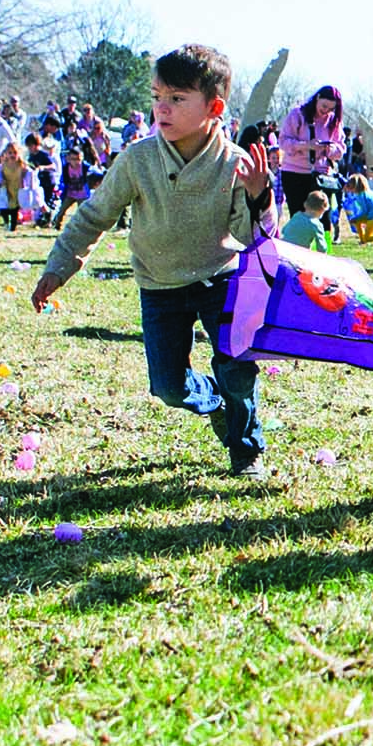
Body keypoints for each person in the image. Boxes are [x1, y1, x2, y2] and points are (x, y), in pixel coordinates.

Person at [32, 44, 274, 478]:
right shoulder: (138, 159)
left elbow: (254, 238)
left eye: (177, 99)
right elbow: (93, 215)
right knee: (168, 386)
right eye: (157, 97)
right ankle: (213, 401)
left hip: (221, 280)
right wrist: (59, 267)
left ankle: (246, 448)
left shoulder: (235, 165)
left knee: (236, 368)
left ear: (213, 107)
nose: (162, 108)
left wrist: (258, 195)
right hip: (160, 286)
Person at [277, 85, 345, 228]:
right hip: (294, 173)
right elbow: (283, 142)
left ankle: (324, 249)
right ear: (317, 98)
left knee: (324, 219)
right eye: (324, 106)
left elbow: (340, 148)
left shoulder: (334, 121)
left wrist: (329, 149)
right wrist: (307, 145)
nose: (326, 111)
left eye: (331, 109)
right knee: (298, 218)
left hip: (321, 176)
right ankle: (298, 249)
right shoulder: (297, 114)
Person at [49, 146, 93, 230]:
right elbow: (64, 180)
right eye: (73, 159)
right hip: (70, 194)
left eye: (78, 159)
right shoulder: (66, 168)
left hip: (83, 194)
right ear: (68, 159)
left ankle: (85, 228)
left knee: (83, 212)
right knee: (62, 210)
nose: (76, 162)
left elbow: (95, 174)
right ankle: (57, 225)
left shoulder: (85, 167)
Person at [0, 141, 28, 231]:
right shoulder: (2, 166)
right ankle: (6, 222)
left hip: (17, 189)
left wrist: (25, 182)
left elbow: (28, 175)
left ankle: (13, 226)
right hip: (6, 188)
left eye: (15, 153)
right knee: (4, 207)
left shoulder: (22, 165)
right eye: (10, 153)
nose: (12, 155)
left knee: (14, 209)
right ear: (5, 154)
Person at [341, 174, 373, 243]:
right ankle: (362, 241)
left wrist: (356, 217)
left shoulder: (360, 196)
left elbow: (365, 211)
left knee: (367, 237)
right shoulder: (368, 192)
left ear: (354, 187)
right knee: (357, 221)